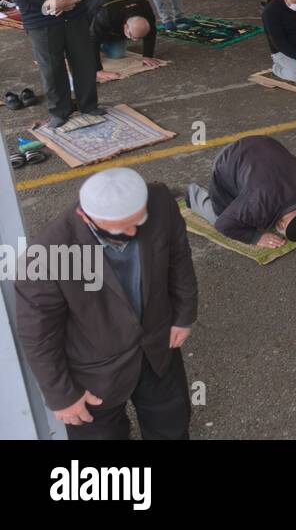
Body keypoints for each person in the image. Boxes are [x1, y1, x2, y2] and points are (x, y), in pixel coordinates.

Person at [16, 167, 198, 439]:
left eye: (139, 221)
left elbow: (179, 258)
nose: (133, 231)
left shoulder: (160, 201)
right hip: (94, 370)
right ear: (85, 216)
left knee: (172, 424)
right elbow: (38, 333)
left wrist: (184, 315)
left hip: (157, 346)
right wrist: (63, 396)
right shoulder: (47, 255)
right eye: (121, 227)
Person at [2, 0, 102, 127]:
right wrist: (53, 2)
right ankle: (60, 111)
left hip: (74, 13)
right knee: (51, 67)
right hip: (41, 21)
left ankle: (89, 105)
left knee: (83, 61)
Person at [187, 136, 296, 247]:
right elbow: (223, 225)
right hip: (227, 159)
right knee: (220, 214)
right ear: (281, 224)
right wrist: (256, 238)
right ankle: (192, 195)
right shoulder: (257, 205)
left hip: (265, 142)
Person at [84, 0, 158, 79]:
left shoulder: (145, 8)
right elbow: (93, 39)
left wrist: (147, 55)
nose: (135, 40)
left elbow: (152, 31)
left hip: (113, 17)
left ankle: (102, 43)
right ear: (126, 26)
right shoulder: (106, 13)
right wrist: (98, 70)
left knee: (117, 53)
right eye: (133, 37)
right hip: (85, 14)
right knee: (83, 49)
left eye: (139, 38)